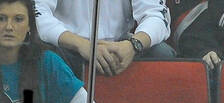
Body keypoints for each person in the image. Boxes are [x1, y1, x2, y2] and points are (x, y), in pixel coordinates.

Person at [33, 0, 173, 77]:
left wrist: (133, 45)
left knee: (163, 54)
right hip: (67, 45)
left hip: (121, 46)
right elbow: (36, 14)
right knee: (42, 54)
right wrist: (81, 44)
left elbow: (157, 15)